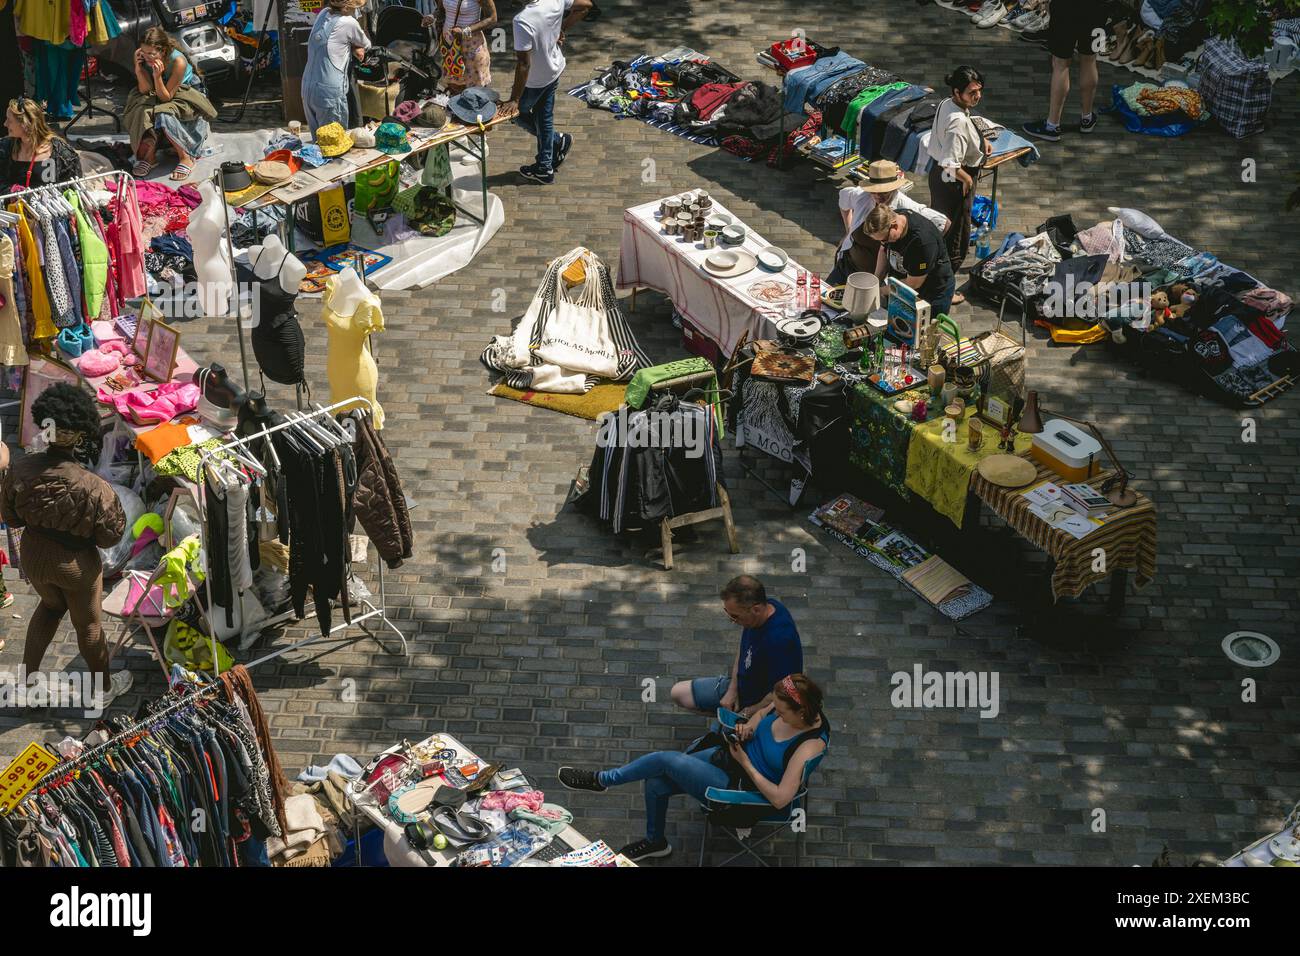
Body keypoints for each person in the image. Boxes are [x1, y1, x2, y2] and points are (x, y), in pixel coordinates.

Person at [560, 674, 829, 862]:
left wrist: (745, 762)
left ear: (802, 712)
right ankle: (656, 843)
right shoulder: (787, 703)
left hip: (742, 791)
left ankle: (602, 780)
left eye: (782, 713)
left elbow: (782, 799)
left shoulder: (809, 746)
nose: (776, 713)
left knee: (666, 761)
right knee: (655, 783)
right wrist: (749, 727)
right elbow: (762, 714)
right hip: (730, 758)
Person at [0, 384, 133, 707]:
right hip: (76, 565)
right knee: (87, 624)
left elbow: (10, 516)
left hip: (34, 556)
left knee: (49, 608)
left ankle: (28, 683)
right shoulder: (94, 487)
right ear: (80, 434)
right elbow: (111, 536)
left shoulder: (21, 468)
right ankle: (103, 689)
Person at [670, 575, 803, 720]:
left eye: (735, 616)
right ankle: (724, 718)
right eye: (728, 613)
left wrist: (746, 714)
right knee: (678, 693)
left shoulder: (781, 640)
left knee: (718, 739)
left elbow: (784, 691)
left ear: (756, 609)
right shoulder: (762, 611)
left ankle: (732, 726)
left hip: (762, 707)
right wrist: (732, 691)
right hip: (741, 689)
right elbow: (744, 648)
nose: (732, 621)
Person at [498, 0, 592, 185]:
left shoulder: (522, 20)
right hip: (554, 69)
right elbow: (586, 5)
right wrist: (561, 28)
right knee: (544, 117)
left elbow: (524, 64)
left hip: (535, 81)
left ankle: (555, 141)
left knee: (516, 114)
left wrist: (515, 99)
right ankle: (544, 167)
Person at [829, 159, 949, 286]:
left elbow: (943, 223)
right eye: (874, 191)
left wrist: (927, 254)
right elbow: (843, 200)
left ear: (894, 188)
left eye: (884, 192)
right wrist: (848, 231)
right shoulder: (861, 195)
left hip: (879, 279)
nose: (878, 196)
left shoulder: (905, 205)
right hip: (848, 265)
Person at [927, 66, 993, 296]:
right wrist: (968, 181)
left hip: (938, 176)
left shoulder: (949, 103)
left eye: (979, 90)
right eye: (972, 93)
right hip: (953, 180)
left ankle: (937, 278)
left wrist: (980, 140)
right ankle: (944, 287)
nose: (977, 96)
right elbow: (950, 164)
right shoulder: (957, 122)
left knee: (942, 227)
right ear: (957, 92)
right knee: (957, 236)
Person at [124, 27, 217, 181]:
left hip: (184, 92)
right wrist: (139, 70)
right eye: (143, 52)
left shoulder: (178, 61)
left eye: (151, 54)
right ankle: (149, 157)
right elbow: (145, 90)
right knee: (141, 109)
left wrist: (157, 76)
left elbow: (166, 97)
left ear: (163, 51)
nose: (146, 57)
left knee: (163, 113)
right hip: (158, 89)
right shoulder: (143, 57)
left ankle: (186, 157)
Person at [1022, 0, 1105, 142]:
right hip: (1097, 6)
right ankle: (1087, 118)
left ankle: (1052, 126)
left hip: (1066, 6)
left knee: (1060, 63)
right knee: (1090, 59)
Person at [864, 203, 957, 319]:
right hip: (903, 285)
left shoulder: (922, 242)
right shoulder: (894, 217)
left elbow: (914, 283)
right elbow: (883, 250)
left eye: (885, 239)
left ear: (895, 226)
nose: (884, 242)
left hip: (932, 292)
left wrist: (881, 291)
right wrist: (876, 280)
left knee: (926, 332)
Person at [302, 0, 372, 135]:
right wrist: (353, 46)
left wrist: (349, 45)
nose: (357, 11)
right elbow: (366, 45)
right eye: (356, 8)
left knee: (319, 142)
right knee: (335, 145)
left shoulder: (323, 14)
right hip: (329, 93)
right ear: (347, 7)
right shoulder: (348, 23)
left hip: (308, 88)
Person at [0, 97, 81, 191]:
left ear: (25, 125)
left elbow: (73, 187)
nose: (5, 124)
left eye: (9, 120)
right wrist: (10, 191)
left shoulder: (61, 153)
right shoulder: (4, 148)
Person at [422, 0, 498, 95]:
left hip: (471, 48)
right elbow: (441, 11)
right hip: (449, 47)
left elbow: (492, 18)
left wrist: (466, 31)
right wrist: (432, 17)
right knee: (454, 88)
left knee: (475, 92)